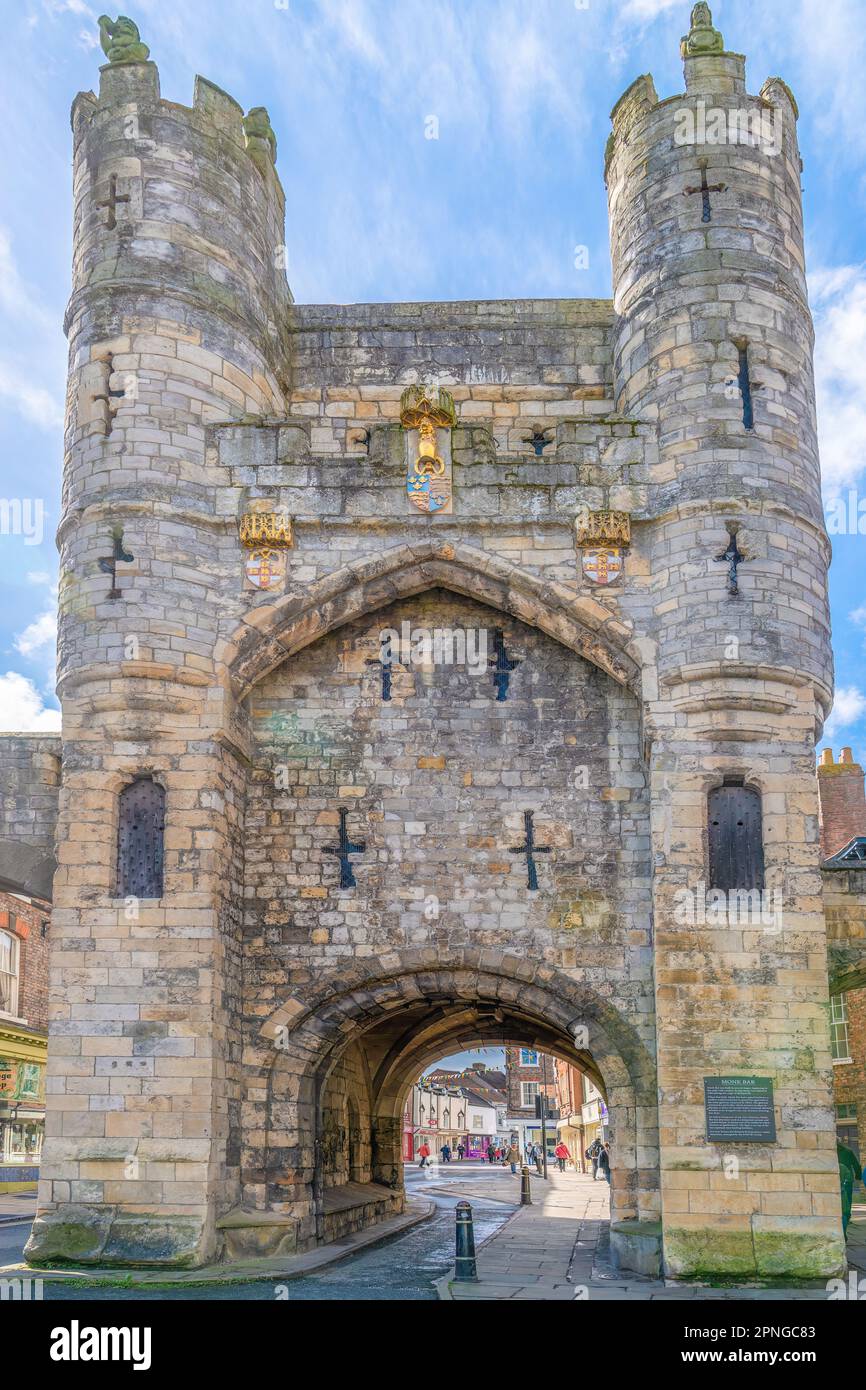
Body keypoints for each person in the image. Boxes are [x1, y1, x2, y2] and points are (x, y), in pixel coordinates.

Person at [838, 1140, 862, 1236]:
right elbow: (856, 1164)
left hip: (836, 1179)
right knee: (847, 1203)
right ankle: (845, 1223)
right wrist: (858, 1176)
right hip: (847, 1179)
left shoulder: (830, 1150)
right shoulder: (848, 1150)